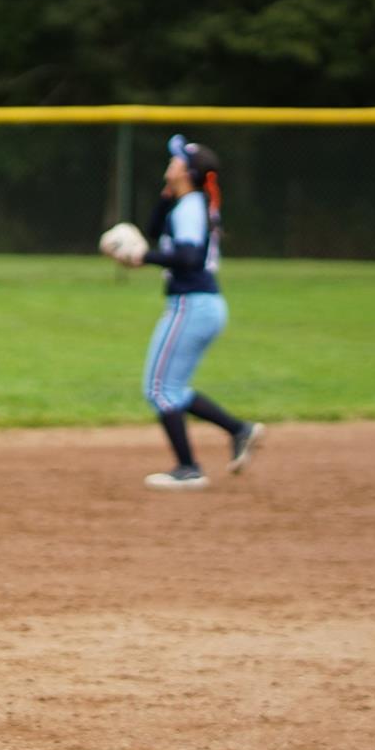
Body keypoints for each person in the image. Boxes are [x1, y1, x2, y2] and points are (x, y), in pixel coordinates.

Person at [117, 133, 264, 491]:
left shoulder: (191, 207)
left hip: (192, 304)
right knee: (171, 387)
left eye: (177, 160)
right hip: (199, 304)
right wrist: (166, 194)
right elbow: (154, 230)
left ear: (189, 172)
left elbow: (188, 257)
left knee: (159, 388)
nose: (171, 163)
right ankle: (238, 430)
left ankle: (188, 468)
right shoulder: (186, 203)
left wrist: (141, 257)